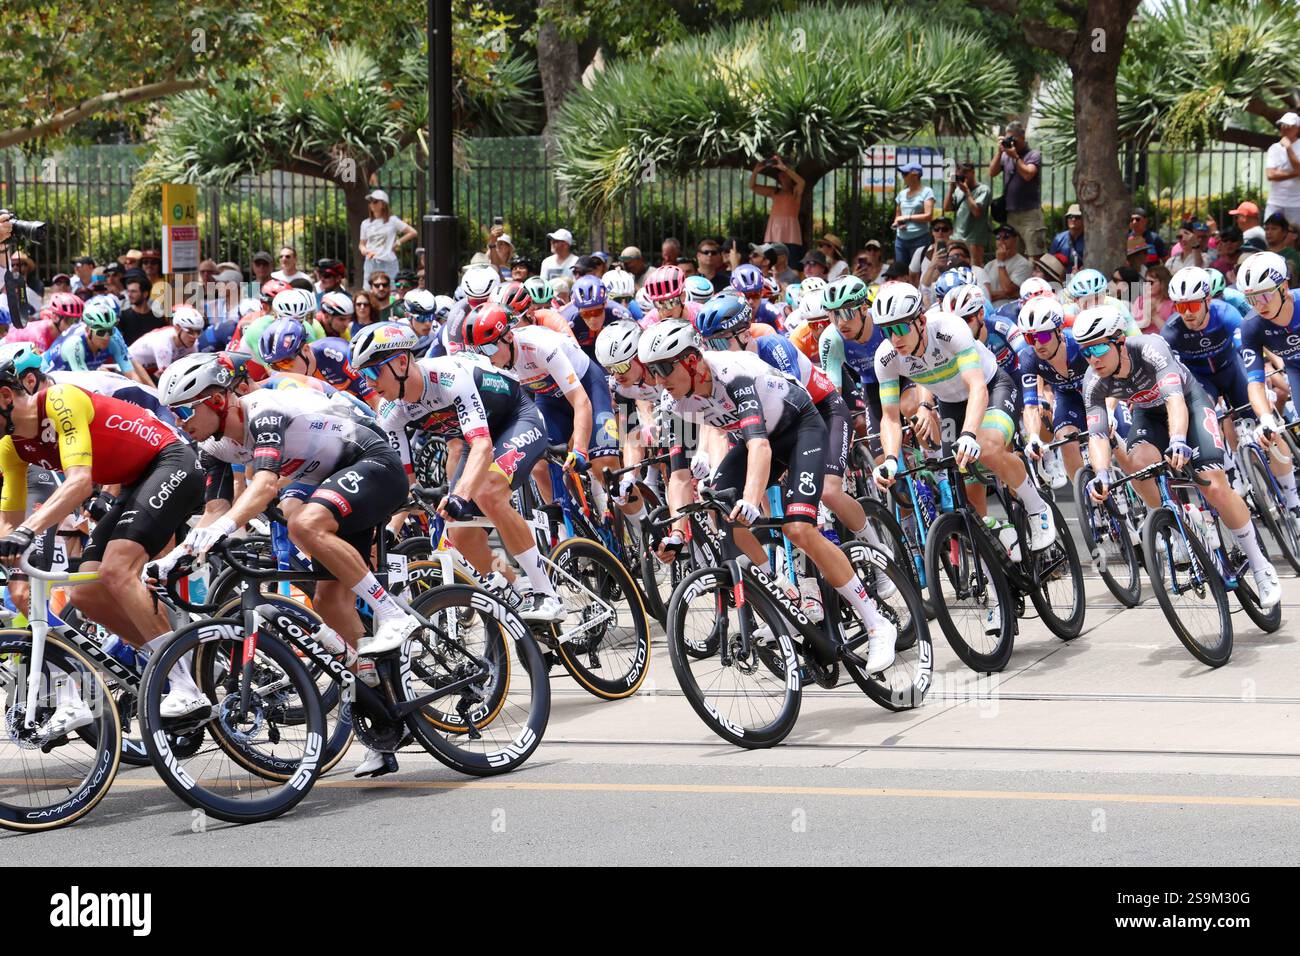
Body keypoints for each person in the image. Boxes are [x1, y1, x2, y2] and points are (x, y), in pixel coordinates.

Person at [153, 353, 414, 729]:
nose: (181, 422)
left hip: (373, 461)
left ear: (215, 400)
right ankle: (383, 709)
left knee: (303, 525)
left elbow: (263, 485)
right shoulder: (214, 449)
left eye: (185, 411)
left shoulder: (263, 411)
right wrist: (175, 556)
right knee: (329, 602)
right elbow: (214, 511)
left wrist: (224, 527)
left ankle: (391, 613)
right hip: (334, 485)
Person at [642, 319, 898, 673]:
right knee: (720, 508)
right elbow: (680, 476)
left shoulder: (732, 373)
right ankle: (784, 593)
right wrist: (676, 531)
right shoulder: (676, 403)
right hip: (760, 440)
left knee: (798, 528)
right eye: (651, 371)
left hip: (802, 426)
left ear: (691, 361)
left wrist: (750, 498)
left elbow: (760, 446)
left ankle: (876, 622)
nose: (658, 380)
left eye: (664, 368)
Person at [0, 360, 204, 728]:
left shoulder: (60, 399)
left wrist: (27, 531)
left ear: (4, 397)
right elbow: (8, 519)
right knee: (86, 594)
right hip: (133, 483)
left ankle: (184, 684)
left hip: (170, 460)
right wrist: (11, 558)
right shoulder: (11, 447)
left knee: (116, 569)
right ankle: (160, 667)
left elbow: (79, 482)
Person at [352, 322, 566, 624]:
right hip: (476, 439)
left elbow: (482, 445)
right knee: (460, 534)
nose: (369, 383)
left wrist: (461, 495)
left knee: (487, 492)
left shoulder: (449, 378)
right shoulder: (392, 413)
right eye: (363, 375)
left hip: (517, 420)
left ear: (401, 362)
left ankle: (547, 594)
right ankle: (517, 597)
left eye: (373, 372)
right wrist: (386, 526)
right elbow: (404, 483)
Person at [1075, 304, 1280, 609]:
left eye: (1099, 347)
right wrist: (1102, 472)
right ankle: (1179, 521)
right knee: (1138, 466)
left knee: (1214, 486)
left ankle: (1260, 564)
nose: (1093, 358)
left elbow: (1174, 401)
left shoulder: (1150, 348)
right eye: (1085, 352)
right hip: (1148, 414)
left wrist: (1179, 440)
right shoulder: (1092, 382)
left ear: (1119, 340)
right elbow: (1098, 434)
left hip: (1188, 403)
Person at [869, 282, 1055, 543]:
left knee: (987, 448)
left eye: (901, 327)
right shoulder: (886, 357)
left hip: (991, 387)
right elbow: (889, 417)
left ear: (921, 321)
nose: (895, 338)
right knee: (960, 482)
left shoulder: (948, 329)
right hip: (950, 404)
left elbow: (977, 386)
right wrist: (890, 459)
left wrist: (968, 433)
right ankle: (996, 539)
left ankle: (1038, 508)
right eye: (887, 331)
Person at [47, 302, 152, 383]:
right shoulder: (75, 344)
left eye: (110, 330)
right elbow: (87, 385)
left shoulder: (114, 336)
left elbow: (131, 374)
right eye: (101, 332)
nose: (107, 337)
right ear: (88, 330)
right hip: (48, 376)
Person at [989, 121, 1045, 257]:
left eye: (1013, 139)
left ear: (1022, 138)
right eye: (1008, 139)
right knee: (1013, 256)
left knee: (1035, 255)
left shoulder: (1033, 155)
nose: (1011, 142)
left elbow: (1028, 174)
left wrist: (1015, 157)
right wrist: (999, 152)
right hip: (1011, 215)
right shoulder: (1005, 155)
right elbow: (992, 172)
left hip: (1030, 214)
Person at [749, 156, 806, 263]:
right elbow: (752, 186)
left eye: (785, 175)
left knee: (791, 260)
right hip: (774, 230)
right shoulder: (774, 191)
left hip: (790, 231)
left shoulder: (795, 192)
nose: (782, 176)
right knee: (772, 259)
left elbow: (801, 182)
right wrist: (755, 171)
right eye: (780, 174)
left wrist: (785, 168)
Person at [129, 304, 205, 380]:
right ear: (177, 327)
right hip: (130, 367)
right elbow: (166, 379)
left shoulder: (192, 342)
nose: (195, 336)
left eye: (198, 331)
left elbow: (194, 368)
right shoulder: (163, 343)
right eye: (190, 331)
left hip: (151, 370)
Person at [892, 162, 934, 267]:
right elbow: (898, 216)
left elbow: (928, 216)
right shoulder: (901, 194)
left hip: (919, 239)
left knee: (918, 271)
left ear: (915, 175)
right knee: (901, 271)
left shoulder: (927, 192)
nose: (903, 177)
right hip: (901, 240)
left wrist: (908, 217)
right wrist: (897, 223)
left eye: (905, 174)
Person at [1266, 112, 1300, 225]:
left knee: (1295, 237)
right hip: (1275, 202)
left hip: (1296, 203)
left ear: (1297, 128)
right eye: (1282, 125)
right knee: (1271, 234)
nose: (1284, 129)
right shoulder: (1274, 148)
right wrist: (1295, 173)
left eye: (1288, 126)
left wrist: (1289, 148)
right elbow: (1271, 175)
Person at [987, 224, 1033, 305]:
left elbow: (1007, 289)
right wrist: (1008, 295)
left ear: (1015, 240)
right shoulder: (989, 265)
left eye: (1006, 236)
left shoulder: (1023, 264)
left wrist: (1001, 263)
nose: (1001, 240)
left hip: (1010, 311)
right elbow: (984, 294)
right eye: (998, 237)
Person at [1133, 265, 1174, 332]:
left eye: (1151, 282)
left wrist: (1154, 315)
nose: (1147, 285)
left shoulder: (1172, 304)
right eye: (1145, 281)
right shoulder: (1140, 300)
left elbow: (1171, 333)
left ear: (1163, 283)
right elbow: (1132, 330)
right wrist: (1145, 320)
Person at [1050, 204, 1086, 274]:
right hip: (1062, 277)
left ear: (1083, 219)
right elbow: (1050, 262)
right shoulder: (1059, 239)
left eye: (1077, 217)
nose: (1073, 219)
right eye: (1070, 216)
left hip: (1083, 277)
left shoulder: (1088, 240)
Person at [1264, 213, 1300, 282]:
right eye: (1267, 229)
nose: (1269, 232)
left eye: (1274, 228)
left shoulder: (1293, 255)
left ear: (1284, 232)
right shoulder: (1261, 254)